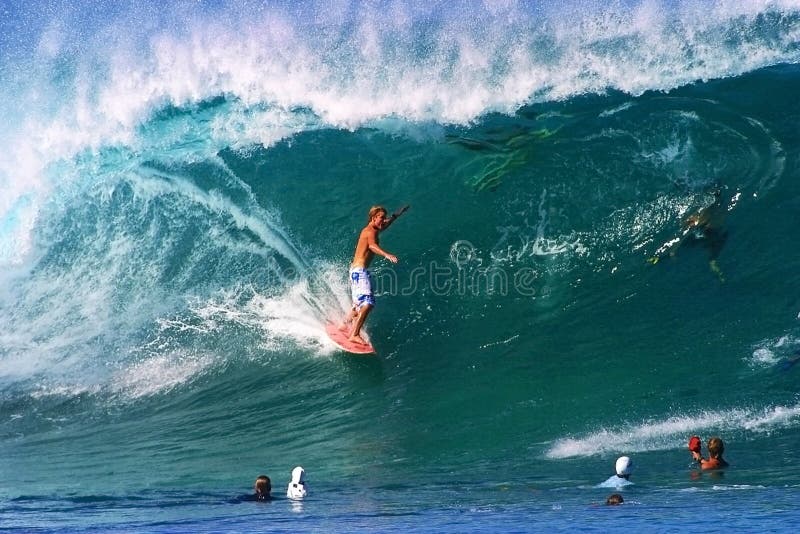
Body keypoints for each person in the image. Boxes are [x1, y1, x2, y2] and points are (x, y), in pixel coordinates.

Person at [340, 204, 409, 345]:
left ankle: (344, 324)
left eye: (384, 218)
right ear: (373, 218)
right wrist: (386, 254)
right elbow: (372, 245)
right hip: (359, 272)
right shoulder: (369, 231)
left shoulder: (376, 227)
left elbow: (388, 222)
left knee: (360, 303)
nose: (384, 221)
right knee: (368, 303)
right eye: (381, 218)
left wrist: (398, 213)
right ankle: (354, 334)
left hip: (356, 271)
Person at [648, 188, 728, 282]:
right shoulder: (717, 210)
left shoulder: (703, 213)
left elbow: (687, 228)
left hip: (705, 231)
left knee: (690, 242)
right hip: (711, 232)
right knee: (713, 254)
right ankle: (714, 266)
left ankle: (661, 257)